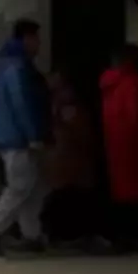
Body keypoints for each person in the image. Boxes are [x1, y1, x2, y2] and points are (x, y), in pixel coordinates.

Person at [0, 19, 52, 259]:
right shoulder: (18, 68)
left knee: (31, 187)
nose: (39, 44)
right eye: (36, 39)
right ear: (26, 39)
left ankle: (31, 235)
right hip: (16, 138)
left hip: (9, 135)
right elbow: (22, 103)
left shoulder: (9, 65)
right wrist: (33, 134)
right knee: (21, 187)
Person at [100, 44, 138, 250]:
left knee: (119, 191)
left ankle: (120, 234)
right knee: (137, 193)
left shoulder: (108, 84)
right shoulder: (132, 84)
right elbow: (136, 118)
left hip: (113, 143)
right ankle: (134, 235)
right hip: (133, 146)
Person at [41, 69, 100, 246]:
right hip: (70, 158)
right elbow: (83, 134)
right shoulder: (71, 107)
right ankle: (69, 233)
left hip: (61, 158)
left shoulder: (51, 104)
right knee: (70, 195)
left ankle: (58, 232)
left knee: (62, 195)